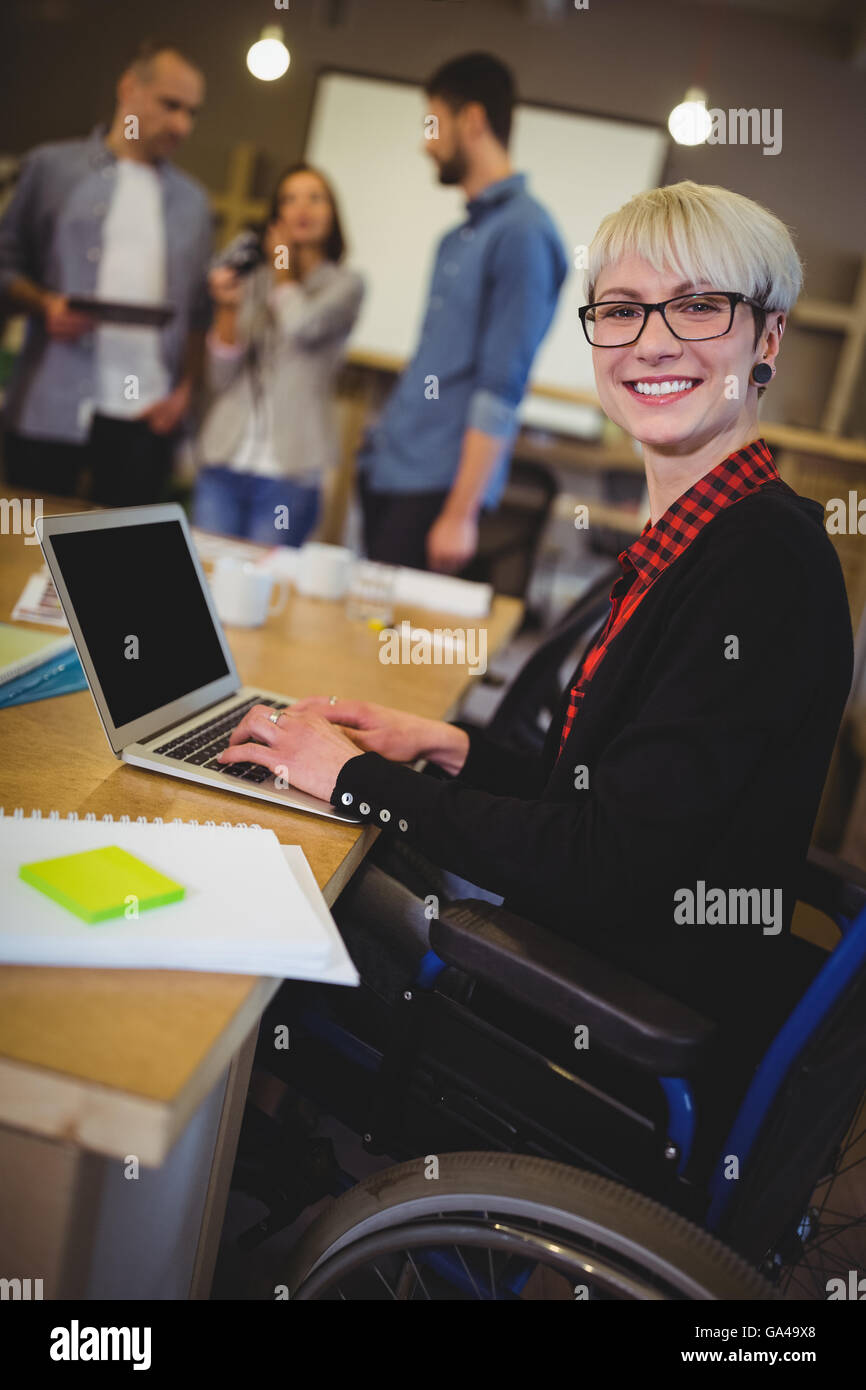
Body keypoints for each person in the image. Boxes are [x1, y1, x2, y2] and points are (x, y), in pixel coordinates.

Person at [217, 182, 853, 1050]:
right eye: (623, 310)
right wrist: (451, 747)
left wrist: (355, 779)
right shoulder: (706, 534)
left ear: (768, 336)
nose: (652, 342)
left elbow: (603, 864)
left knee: (276, 903)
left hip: (610, 1007)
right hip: (597, 945)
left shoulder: (761, 565)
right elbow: (608, 797)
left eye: (699, 307)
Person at [357, 52, 567, 573]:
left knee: (398, 652)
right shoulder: (457, 238)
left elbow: (500, 386)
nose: (425, 142)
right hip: (394, 468)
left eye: (433, 124)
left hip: (438, 489)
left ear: (472, 121)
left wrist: (460, 512)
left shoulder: (524, 233)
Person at [0, 41, 211, 504]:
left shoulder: (193, 202)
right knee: (27, 551)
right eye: (170, 105)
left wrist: (186, 392)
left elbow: (199, 311)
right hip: (52, 403)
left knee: (121, 565)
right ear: (129, 88)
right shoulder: (52, 168)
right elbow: (5, 262)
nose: (182, 125)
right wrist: (44, 303)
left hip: (146, 416)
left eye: (192, 113)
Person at [193, 164, 364, 547]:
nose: (302, 208)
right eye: (290, 199)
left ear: (333, 213)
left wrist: (282, 269)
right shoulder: (255, 279)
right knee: (204, 577)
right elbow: (220, 375)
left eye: (315, 198)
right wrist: (227, 306)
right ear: (276, 217)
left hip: (290, 471)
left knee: (264, 591)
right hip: (225, 460)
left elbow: (303, 325)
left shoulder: (345, 285)